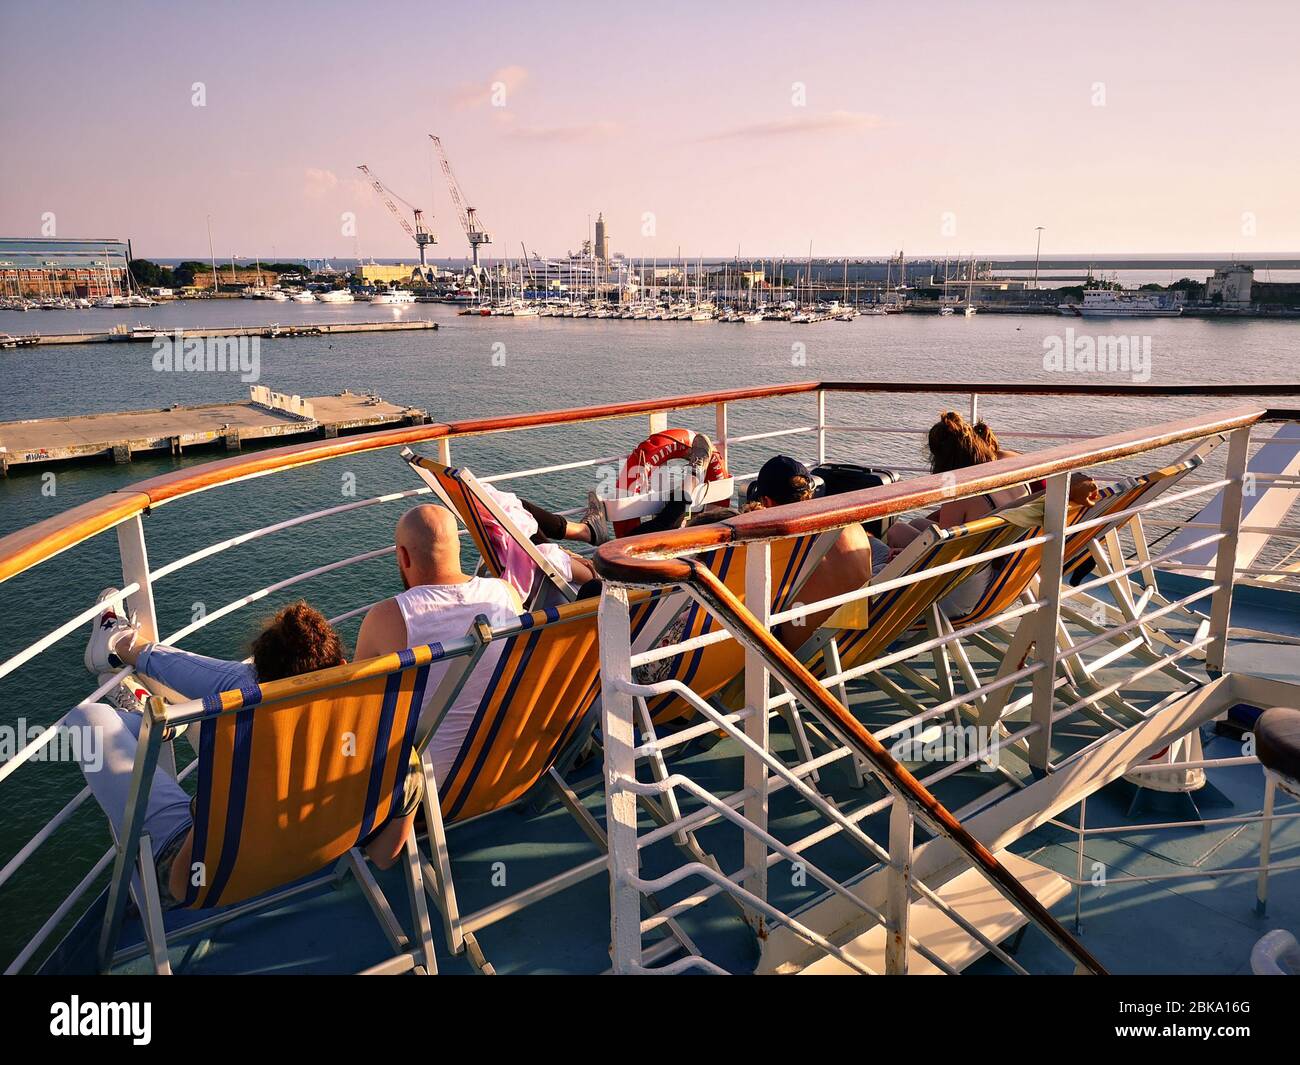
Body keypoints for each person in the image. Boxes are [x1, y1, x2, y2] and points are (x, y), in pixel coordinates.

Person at [70, 595, 416, 912]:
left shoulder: (243, 766)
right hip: (323, 851)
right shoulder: (391, 744)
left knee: (86, 719)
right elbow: (385, 857)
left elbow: (181, 880)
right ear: (342, 663)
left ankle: (160, 713)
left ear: (258, 685)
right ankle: (160, 705)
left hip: (206, 878)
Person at [741, 455, 881, 647]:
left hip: (798, 652)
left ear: (767, 501)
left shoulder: (784, 543)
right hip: (853, 639)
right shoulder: (852, 525)